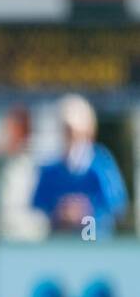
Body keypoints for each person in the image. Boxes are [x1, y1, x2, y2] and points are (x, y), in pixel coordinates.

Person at [31, 94, 129, 238]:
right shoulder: (50, 170)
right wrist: (60, 210)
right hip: (59, 246)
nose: (71, 139)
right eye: (66, 132)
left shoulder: (101, 165)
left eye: (75, 133)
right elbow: (37, 205)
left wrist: (86, 209)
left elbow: (117, 204)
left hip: (96, 245)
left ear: (89, 132)